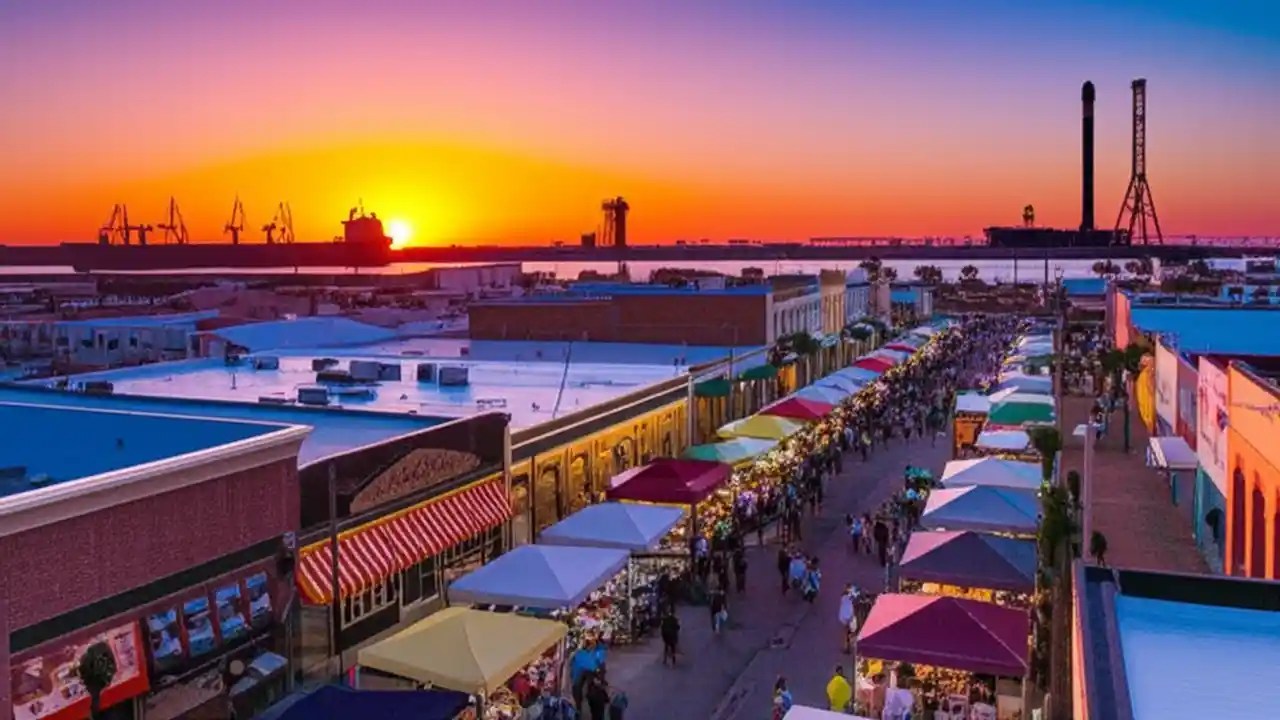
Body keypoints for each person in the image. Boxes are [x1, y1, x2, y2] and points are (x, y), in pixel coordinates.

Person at [838, 584, 856, 651]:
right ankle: (848, 646)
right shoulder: (851, 596)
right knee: (849, 631)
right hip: (848, 614)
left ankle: (847, 647)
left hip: (845, 615)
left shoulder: (844, 596)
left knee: (847, 631)